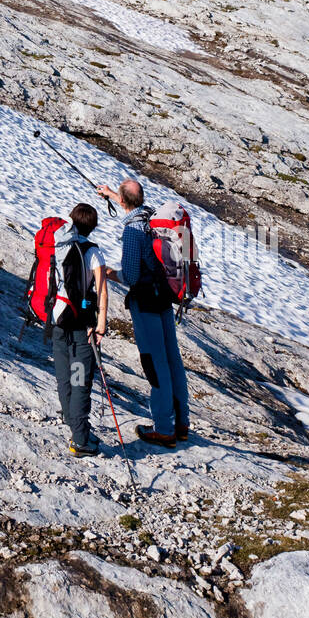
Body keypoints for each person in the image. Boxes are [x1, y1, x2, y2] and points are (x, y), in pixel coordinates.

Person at [98, 177, 190, 449]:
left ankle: (163, 429)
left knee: (154, 362)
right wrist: (113, 195)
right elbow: (134, 207)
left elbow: (133, 274)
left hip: (146, 301)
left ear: (125, 202)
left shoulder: (132, 232)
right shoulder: (150, 217)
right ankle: (182, 424)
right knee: (172, 360)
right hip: (163, 298)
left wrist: (112, 274)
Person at [51, 202, 108, 457]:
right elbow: (102, 289)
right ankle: (80, 440)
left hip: (58, 319)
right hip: (81, 326)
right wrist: (101, 323)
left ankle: (73, 421)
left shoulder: (59, 246)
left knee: (65, 376)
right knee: (79, 379)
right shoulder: (92, 252)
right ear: (92, 227)